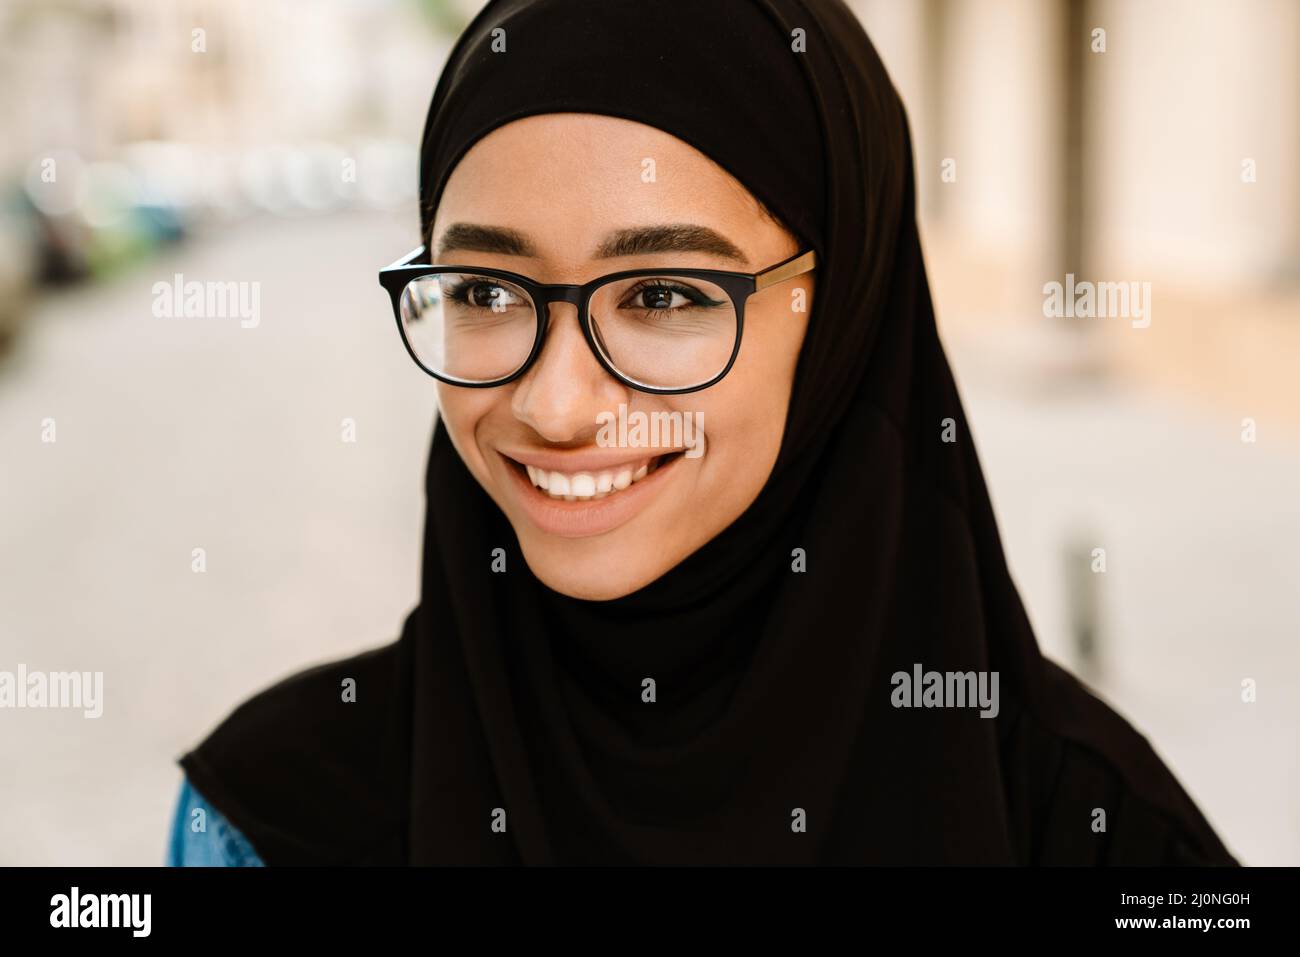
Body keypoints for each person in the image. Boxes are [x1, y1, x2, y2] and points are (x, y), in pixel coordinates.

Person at [168, 0, 1237, 866]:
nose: (555, 406)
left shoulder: (1096, 831)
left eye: (667, 295)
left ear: (847, 316)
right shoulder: (272, 817)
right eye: (487, 289)